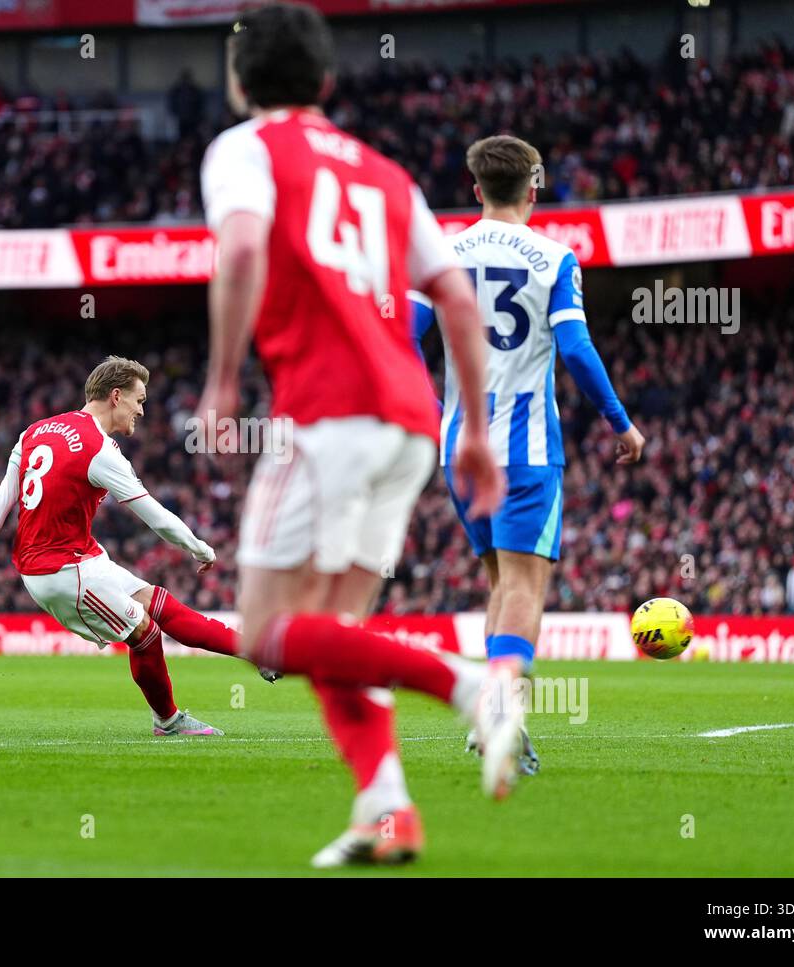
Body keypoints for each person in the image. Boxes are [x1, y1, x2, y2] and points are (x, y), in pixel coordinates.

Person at [197, 2, 513, 869]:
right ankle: (387, 812)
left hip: (325, 416)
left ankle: (470, 683)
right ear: (327, 80)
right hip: (411, 422)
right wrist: (475, 430)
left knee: (264, 633)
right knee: (336, 632)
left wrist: (223, 380)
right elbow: (453, 297)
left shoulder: (244, 149)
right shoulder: (385, 172)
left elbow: (243, 250)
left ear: (239, 80)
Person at [410, 135, 645, 771]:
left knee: (497, 582)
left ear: (476, 188)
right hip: (525, 447)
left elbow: (400, 339)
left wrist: (438, 419)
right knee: (522, 589)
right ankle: (503, 723)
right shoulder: (553, 258)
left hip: (459, 448)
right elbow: (573, 348)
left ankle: (490, 716)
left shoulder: (441, 255)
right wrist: (620, 423)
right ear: (534, 189)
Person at [0, 356, 268, 736]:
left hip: (78, 555)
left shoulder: (35, 431)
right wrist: (200, 548)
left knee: (157, 602)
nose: (142, 410)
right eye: (139, 400)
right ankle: (167, 721)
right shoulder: (98, 449)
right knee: (144, 632)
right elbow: (155, 516)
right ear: (116, 396)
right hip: (61, 572)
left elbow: (1, 502)